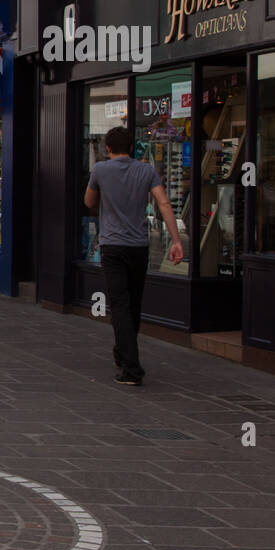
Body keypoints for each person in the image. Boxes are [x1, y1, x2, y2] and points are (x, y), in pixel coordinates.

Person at [84, 126, 184, 386]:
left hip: (112, 246)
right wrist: (175, 240)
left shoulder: (100, 171)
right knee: (134, 302)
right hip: (139, 246)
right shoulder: (146, 170)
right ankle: (123, 352)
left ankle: (131, 368)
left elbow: (88, 202)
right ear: (131, 147)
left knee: (119, 303)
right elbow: (163, 203)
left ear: (107, 148)